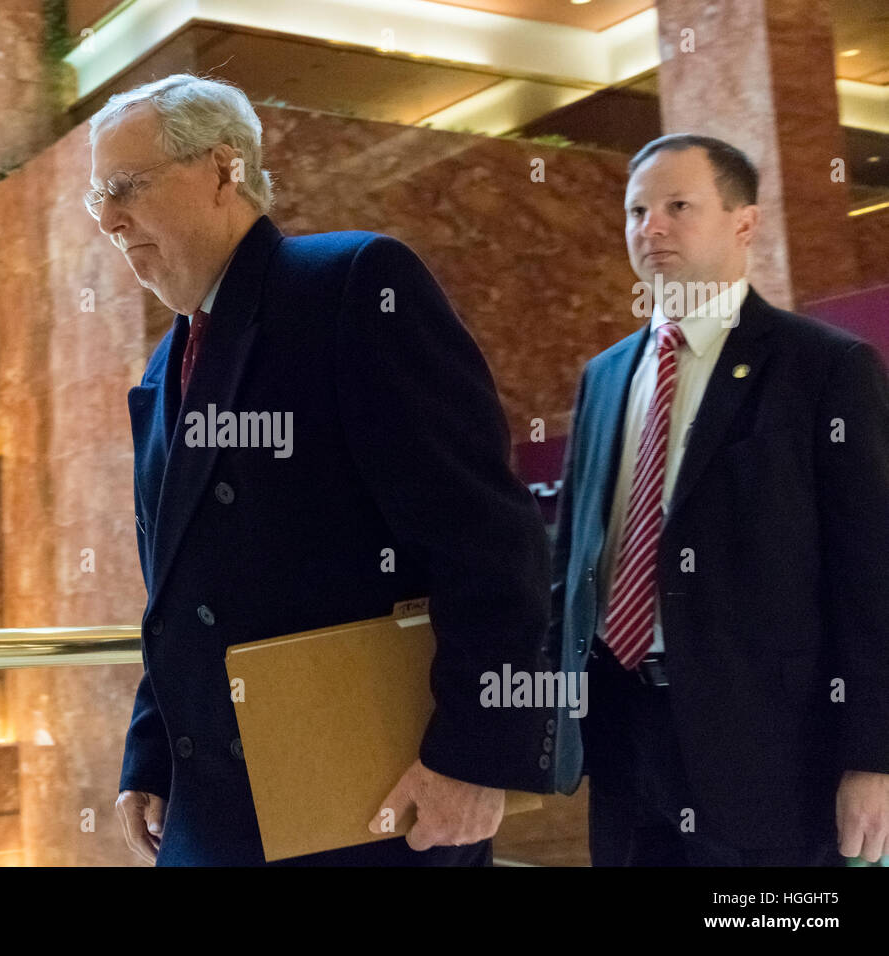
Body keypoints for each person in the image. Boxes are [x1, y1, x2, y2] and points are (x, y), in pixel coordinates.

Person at [90, 74, 554, 866]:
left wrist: (476, 759)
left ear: (222, 171)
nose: (108, 219)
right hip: (217, 817)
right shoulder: (166, 366)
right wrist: (154, 753)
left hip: (371, 806)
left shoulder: (352, 287)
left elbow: (489, 540)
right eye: (98, 198)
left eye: (126, 188)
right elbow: (181, 594)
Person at [549, 133, 889, 865]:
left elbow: (873, 579)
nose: (652, 227)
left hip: (772, 754)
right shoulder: (606, 375)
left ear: (744, 222)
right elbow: (573, 562)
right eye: (637, 210)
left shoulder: (824, 369)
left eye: (678, 206)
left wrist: (876, 758)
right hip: (622, 734)